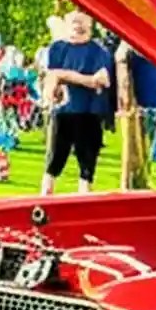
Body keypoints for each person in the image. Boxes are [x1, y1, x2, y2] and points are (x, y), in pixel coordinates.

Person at [42, 10, 112, 195]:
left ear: (90, 24)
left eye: (82, 21)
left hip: (90, 112)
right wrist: (84, 79)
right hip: (63, 111)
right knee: (54, 159)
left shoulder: (99, 51)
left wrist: (64, 75)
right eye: (74, 21)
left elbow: (102, 80)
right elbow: (51, 77)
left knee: (87, 162)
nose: (78, 25)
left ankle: (84, 196)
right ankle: (45, 196)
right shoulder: (58, 49)